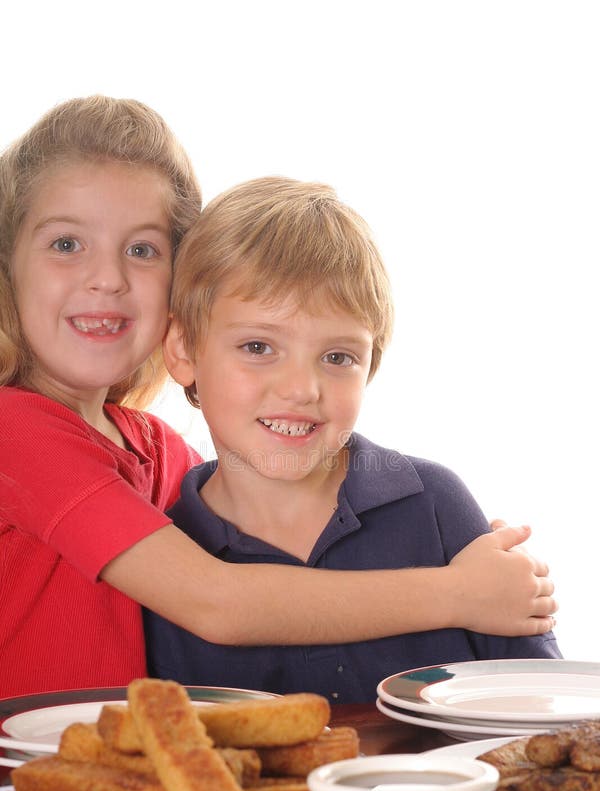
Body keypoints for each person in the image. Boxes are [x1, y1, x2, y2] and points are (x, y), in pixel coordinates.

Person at [0, 97, 556, 701]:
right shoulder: (15, 432)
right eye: (65, 244)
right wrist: (463, 591)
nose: (107, 277)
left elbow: (243, 487)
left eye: (141, 250)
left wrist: (483, 556)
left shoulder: (159, 454)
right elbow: (217, 602)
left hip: (132, 781)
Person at [144, 177, 561, 703]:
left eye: (338, 357)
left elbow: (549, 719)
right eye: (258, 346)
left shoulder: (433, 503)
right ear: (182, 349)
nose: (302, 389)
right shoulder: (168, 556)